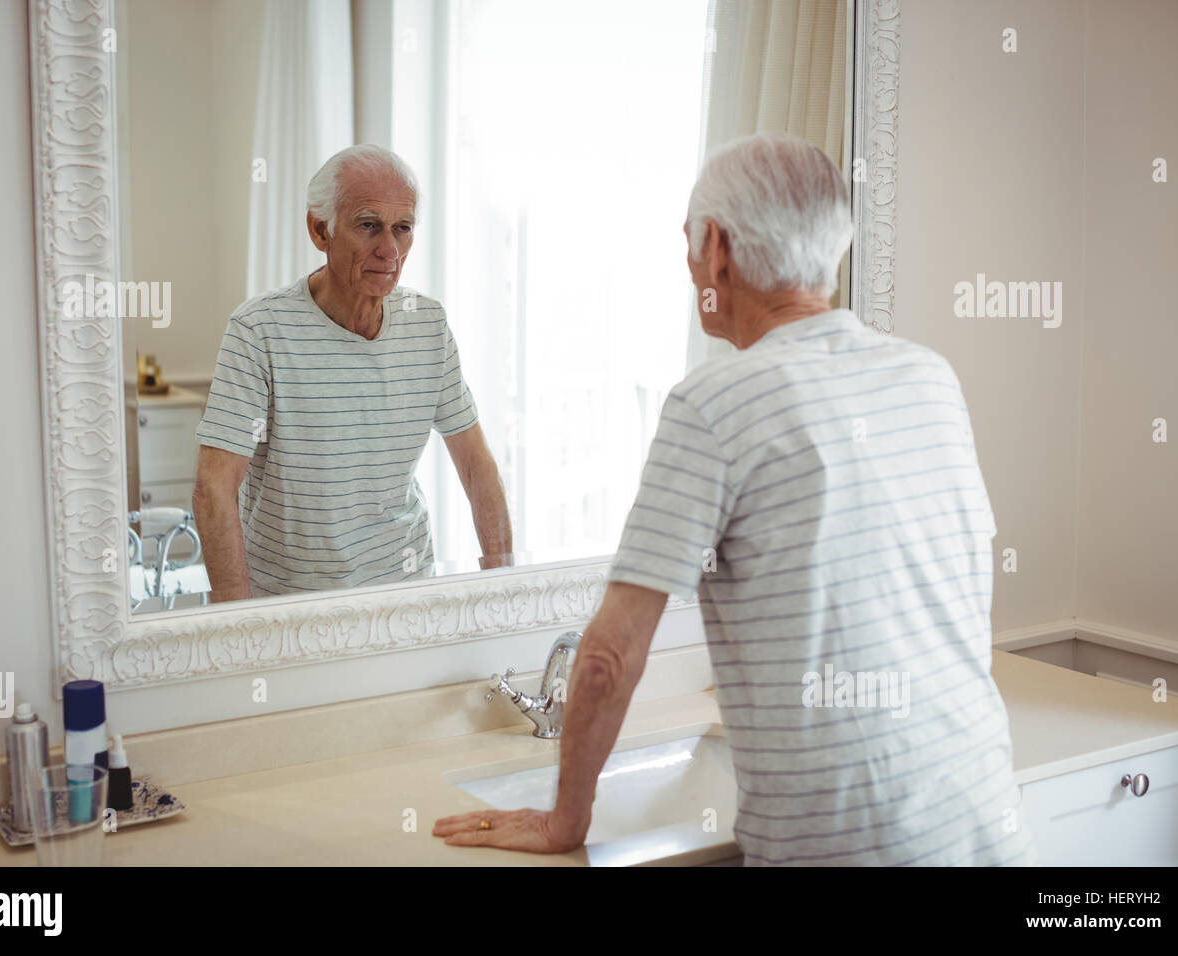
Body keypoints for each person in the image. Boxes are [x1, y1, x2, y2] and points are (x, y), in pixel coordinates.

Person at [433, 132, 1036, 866]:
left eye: (689, 244)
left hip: (850, 846)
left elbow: (609, 658)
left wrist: (566, 819)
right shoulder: (928, 376)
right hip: (986, 818)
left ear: (716, 248)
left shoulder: (715, 402)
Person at [193, 145, 511, 600]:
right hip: (288, 603)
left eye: (403, 228)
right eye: (369, 226)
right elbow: (213, 491)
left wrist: (503, 586)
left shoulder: (428, 323)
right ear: (320, 230)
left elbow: (477, 466)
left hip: (405, 591)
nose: (390, 249)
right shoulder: (259, 330)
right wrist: (242, 625)